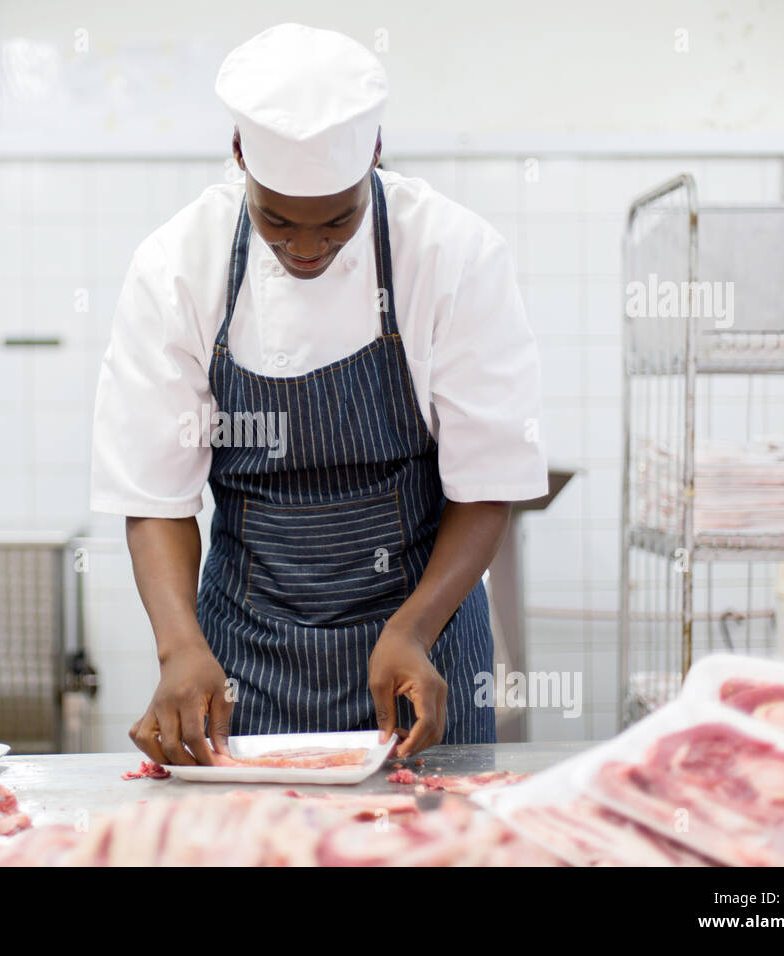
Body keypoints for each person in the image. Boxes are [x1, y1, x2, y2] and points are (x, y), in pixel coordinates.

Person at [90, 23, 546, 765]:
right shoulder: (178, 265)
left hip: (422, 637)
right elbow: (157, 498)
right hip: (246, 648)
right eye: (276, 220)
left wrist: (414, 628)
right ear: (240, 157)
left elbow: (488, 484)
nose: (307, 246)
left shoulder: (452, 253)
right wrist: (179, 649)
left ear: (373, 156)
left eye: (338, 219)